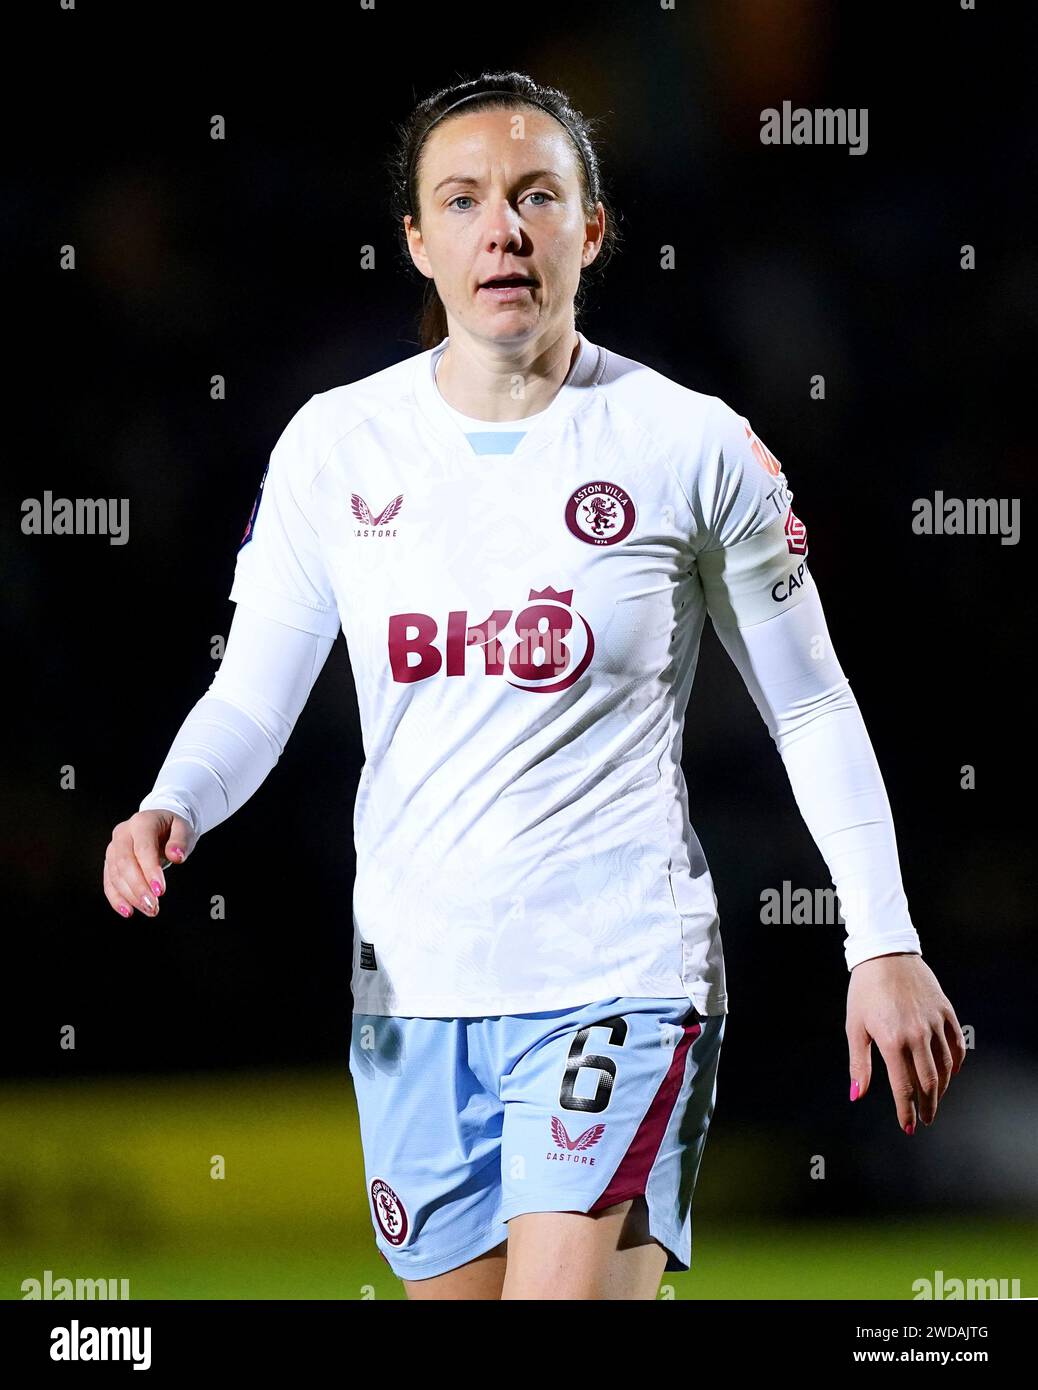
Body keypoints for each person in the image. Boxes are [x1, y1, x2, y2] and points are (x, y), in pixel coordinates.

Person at [102, 71, 966, 1301]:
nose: (500, 227)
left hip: (619, 972)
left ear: (590, 228)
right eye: (461, 201)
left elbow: (812, 702)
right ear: (417, 240)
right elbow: (251, 696)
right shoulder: (334, 449)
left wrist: (882, 941)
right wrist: (171, 801)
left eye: (534, 196)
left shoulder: (690, 445)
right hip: (414, 990)